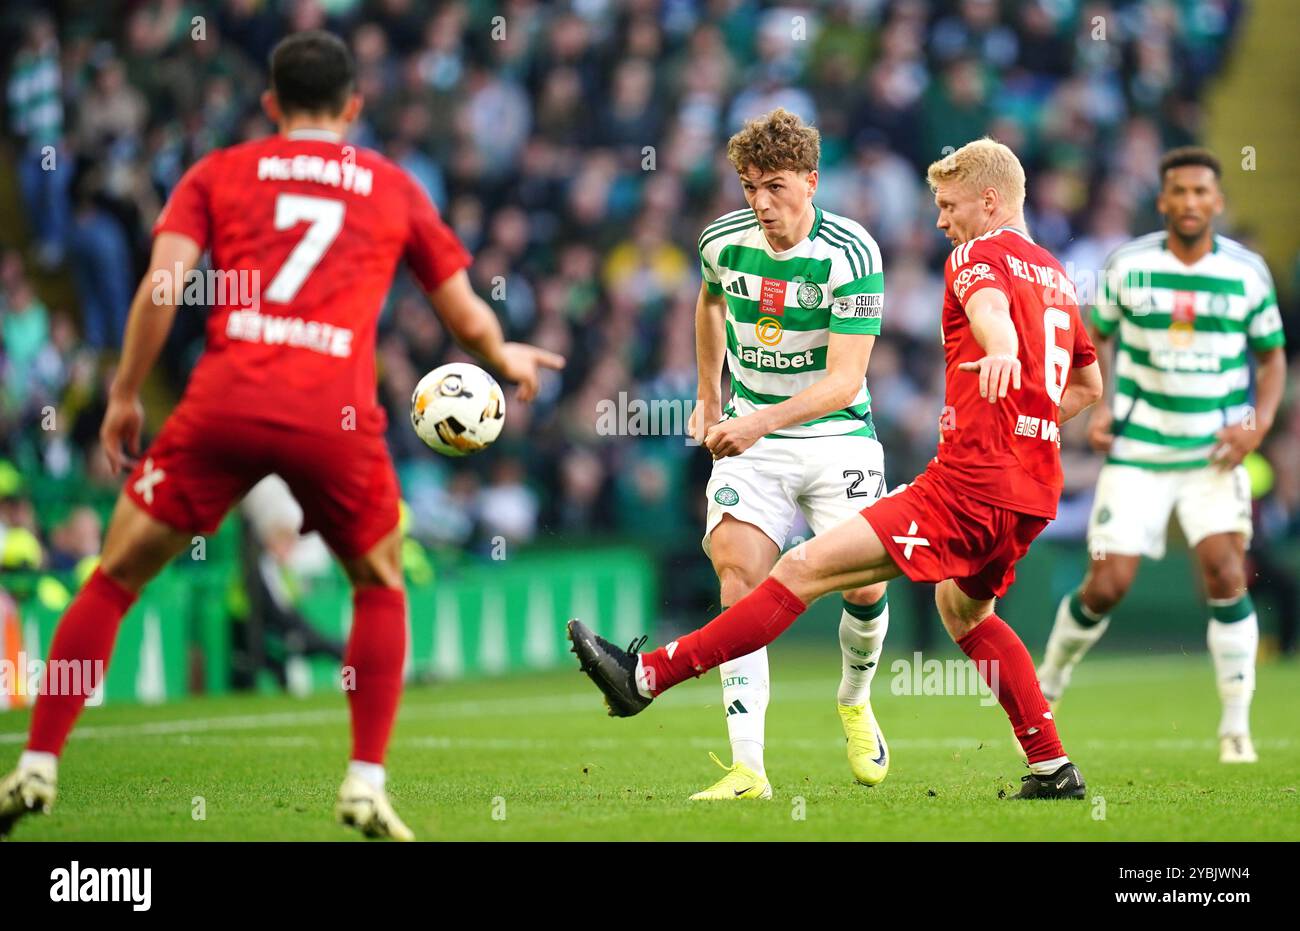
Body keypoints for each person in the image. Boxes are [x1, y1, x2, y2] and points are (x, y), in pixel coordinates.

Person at [0, 31, 562, 841]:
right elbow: (463, 309)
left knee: (115, 575)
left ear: (270, 104)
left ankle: (38, 760)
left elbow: (161, 285)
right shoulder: (391, 186)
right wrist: (500, 353)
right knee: (377, 581)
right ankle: (366, 779)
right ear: (354, 107)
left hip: (226, 399)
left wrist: (125, 391)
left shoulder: (219, 171)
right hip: (331, 410)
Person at [569, 138, 1103, 800]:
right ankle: (1052, 765)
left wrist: (997, 352)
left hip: (969, 485)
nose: (941, 221)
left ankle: (644, 678)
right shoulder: (1055, 274)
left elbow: (992, 316)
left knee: (799, 569)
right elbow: (1089, 385)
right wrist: (1027, 414)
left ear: (989, 201)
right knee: (965, 612)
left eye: (948, 205)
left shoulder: (976, 255)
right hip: (1032, 491)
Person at [1036, 147, 1286, 764]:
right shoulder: (1129, 266)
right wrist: (1104, 404)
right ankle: (1050, 682)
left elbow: (1272, 356)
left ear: (1217, 201)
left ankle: (1235, 726)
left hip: (1214, 456)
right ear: (1164, 201)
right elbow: (1093, 335)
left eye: (1202, 192)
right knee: (1108, 584)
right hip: (1140, 450)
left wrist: (1257, 425)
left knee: (1227, 572)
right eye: (1180, 191)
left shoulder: (1247, 273)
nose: (1191, 202)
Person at [685, 109, 892, 801]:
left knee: (864, 586)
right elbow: (710, 302)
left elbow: (844, 381)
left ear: (811, 180)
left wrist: (753, 422)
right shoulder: (722, 239)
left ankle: (855, 700)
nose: (760, 202)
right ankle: (749, 767)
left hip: (837, 435)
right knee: (739, 577)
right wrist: (710, 400)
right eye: (748, 186)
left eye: (774, 186)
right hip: (753, 438)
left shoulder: (852, 252)